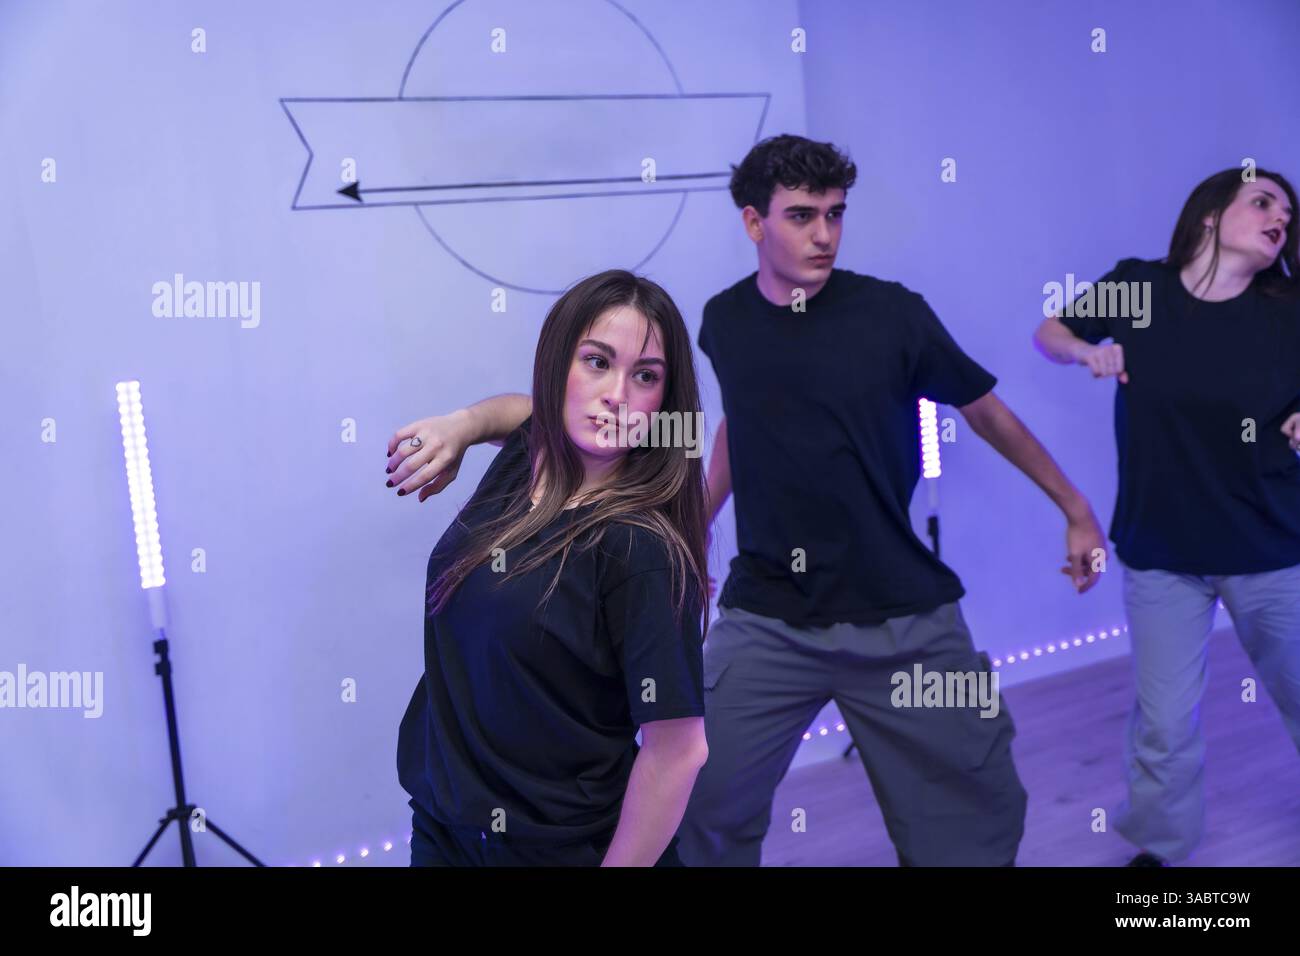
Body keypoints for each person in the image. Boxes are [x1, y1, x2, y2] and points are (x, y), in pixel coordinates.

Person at [392, 135, 1107, 867]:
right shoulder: (726, 320)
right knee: (698, 813)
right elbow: (737, 423)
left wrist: (1075, 506)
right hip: (768, 616)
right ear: (754, 223)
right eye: (802, 215)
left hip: (903, 613)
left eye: (835, 214)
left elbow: (985, 411)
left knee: (972, 818)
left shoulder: (895, 316)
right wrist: (690, 530)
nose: (823, 234)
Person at [391, 270, 710, 866]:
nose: (617, 394)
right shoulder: (532, 456)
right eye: (596, 362)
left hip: (553, 850)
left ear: (663, 402)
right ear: (557, 363)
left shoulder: (638, 550)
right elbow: (518, 410)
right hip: (444, 826)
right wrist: (462, 425)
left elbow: (679, 751)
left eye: (644, 376)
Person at [1034, 167, 1300, 866]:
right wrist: (1087, 350)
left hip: (1270, 546)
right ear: (1211, 214)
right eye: (1263, 201)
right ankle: (1161, 847)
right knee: (1163, 719)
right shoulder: (1140, 287)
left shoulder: (1289, 306)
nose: (1280, 217)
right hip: (1163, 552)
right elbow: (1049, 331)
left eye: (1287, 212)